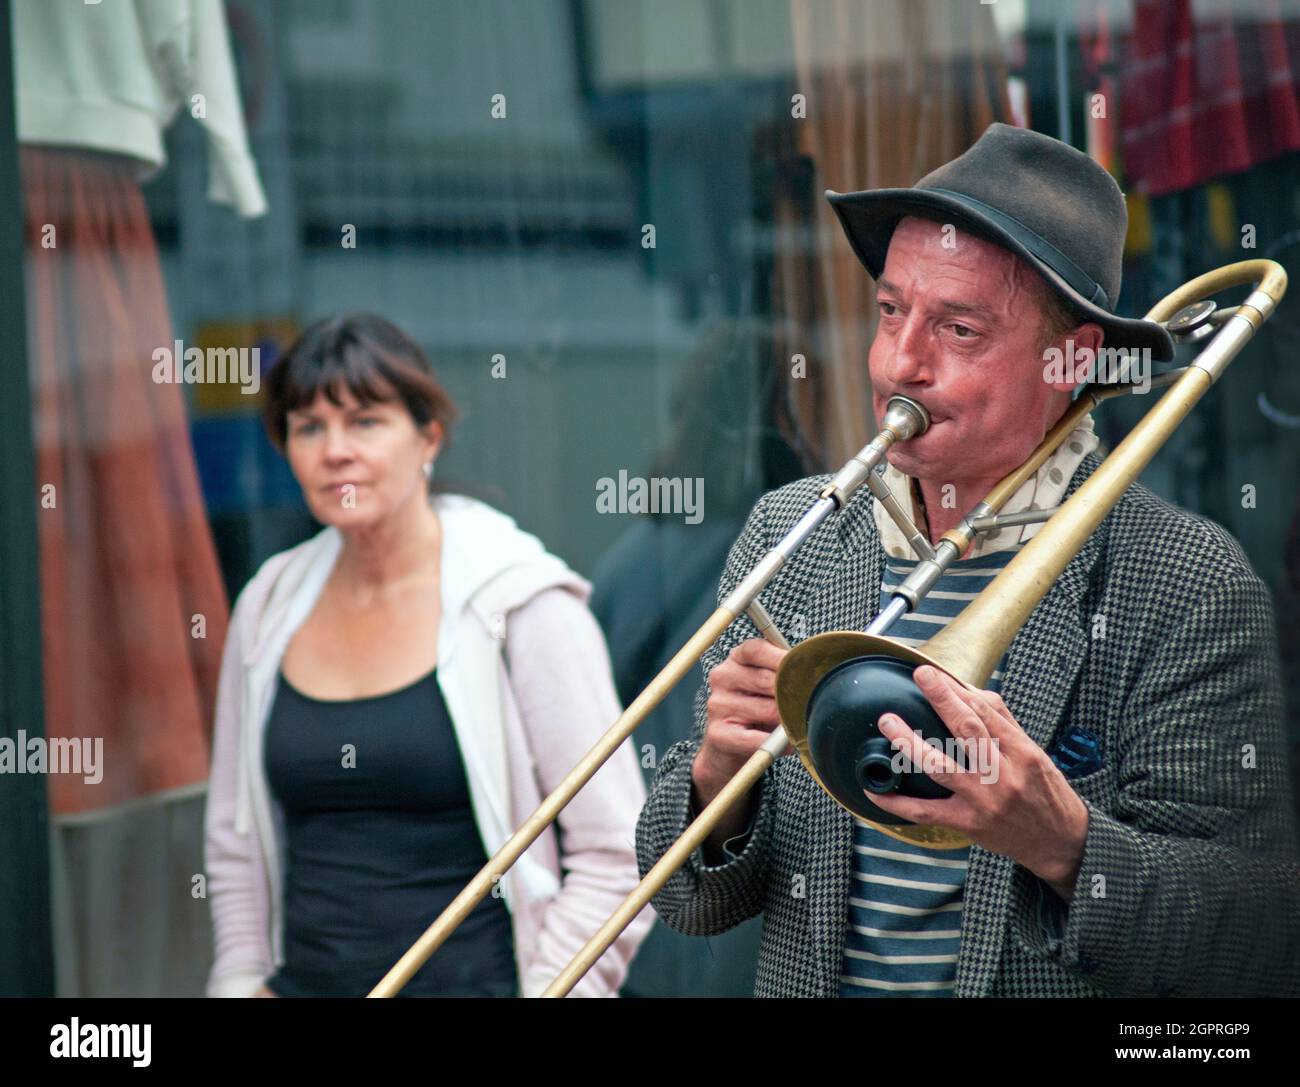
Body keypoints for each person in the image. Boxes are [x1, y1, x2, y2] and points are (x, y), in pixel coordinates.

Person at [636, 123, 1300, 997]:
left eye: (958, 328)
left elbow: (1252, 940)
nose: (901, 362)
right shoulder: (788, 532)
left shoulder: (1186, 581)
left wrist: (1063, 843)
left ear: (1072, 361)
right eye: (889, 311)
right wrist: (716, 784)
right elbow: (692, 899)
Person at [204, 314, 650, 997]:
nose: (336, 451)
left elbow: (616, 850)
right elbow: (234, 845)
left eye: (365, 421)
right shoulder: (267, 605)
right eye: (309, 427)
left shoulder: (522, 603)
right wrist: (239, 983)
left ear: (428, 437)